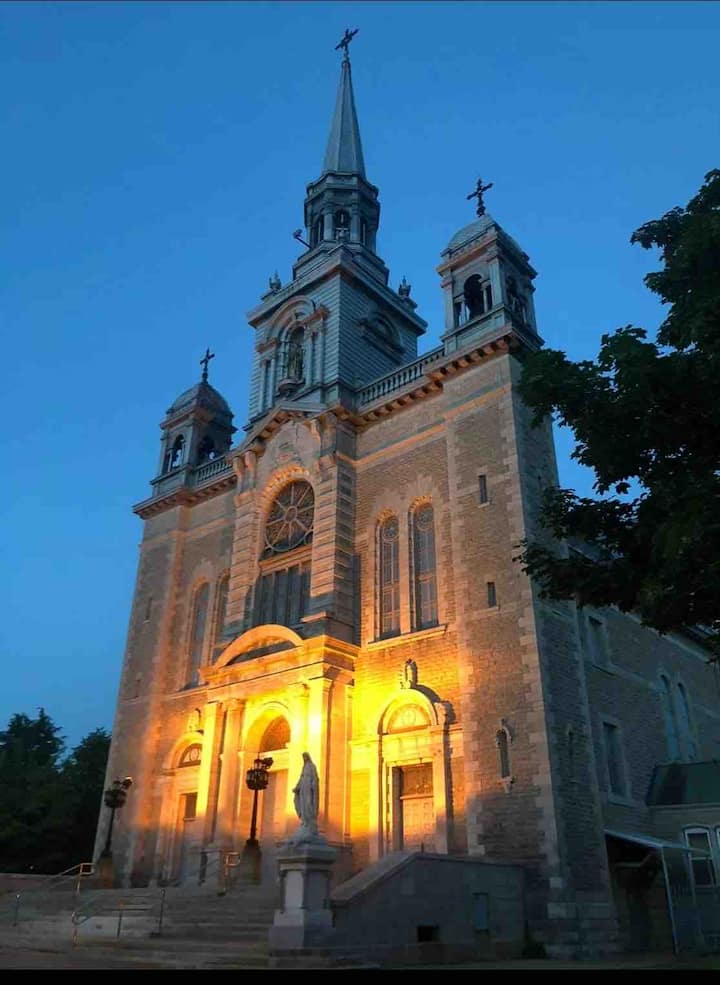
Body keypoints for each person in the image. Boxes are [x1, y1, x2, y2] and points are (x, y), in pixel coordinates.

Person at [292, 751, 319, 833]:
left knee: (308, 802)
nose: (304, 759)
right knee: (303, 803)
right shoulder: (304, 767)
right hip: (303, 786)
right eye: (303, 757)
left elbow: (315, 777)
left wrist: (313, 784)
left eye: (305, 757)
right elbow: (301, 778)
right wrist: (297, 787)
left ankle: (310, 821)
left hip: (309, 786)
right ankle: (305, 821)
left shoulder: (312, 766)